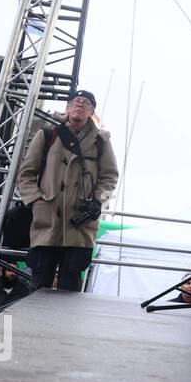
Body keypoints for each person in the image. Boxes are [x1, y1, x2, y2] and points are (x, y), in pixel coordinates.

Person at [14, 90, 119, 292]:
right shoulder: (48, 134)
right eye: (76, 101)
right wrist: (36, 201)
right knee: (38, 286)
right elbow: (25, 174)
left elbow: (110, 176)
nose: (80, 105)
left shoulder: (101, 141)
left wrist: (98, 201)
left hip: (80, 226)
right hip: (46, 222)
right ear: (67, 107)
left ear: (91, 112)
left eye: (86, 103)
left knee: (70, 289)